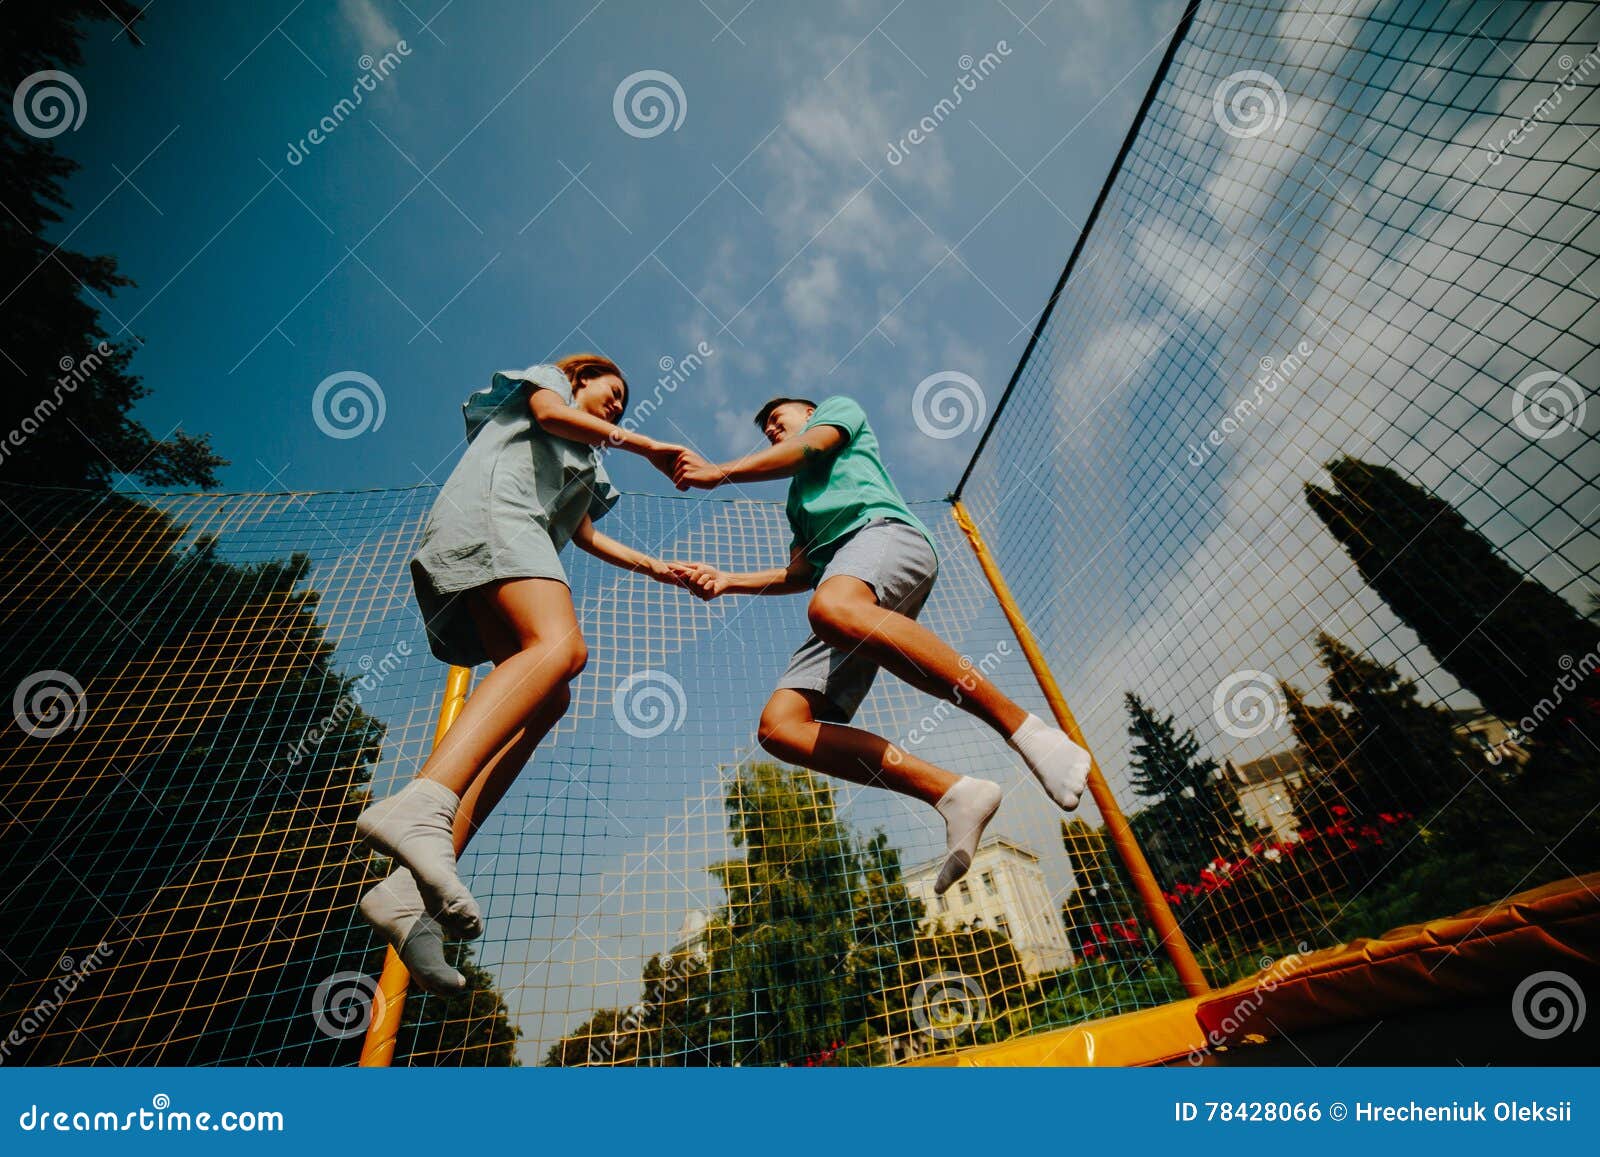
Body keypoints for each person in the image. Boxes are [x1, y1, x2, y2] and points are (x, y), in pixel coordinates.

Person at [356, 355, 693, 993]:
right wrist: (647, 444)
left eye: (626, 403)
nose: (618, 405)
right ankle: (423, 802)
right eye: (611, 391)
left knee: (549, 698)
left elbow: (588, 535)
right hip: (493, 519)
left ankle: (407, 894)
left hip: (512, 535)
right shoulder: (546, 384)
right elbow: (548, 413)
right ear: (581, 376)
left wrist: (659, 568)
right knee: (560, 647)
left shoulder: (590, 462)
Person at [664, 395, 1092, 895]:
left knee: (832, 609)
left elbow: (808, 448)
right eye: (767, 433)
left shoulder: (839, 414)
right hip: (844, 590)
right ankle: (954, 794)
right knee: (781, 728)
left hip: (885, 539)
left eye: (778, 422)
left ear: (810, 413)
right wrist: (727, 580)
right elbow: (801, 572)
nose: (773, 433)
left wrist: (719, 472)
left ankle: (1029, 731)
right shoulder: (796, 502)